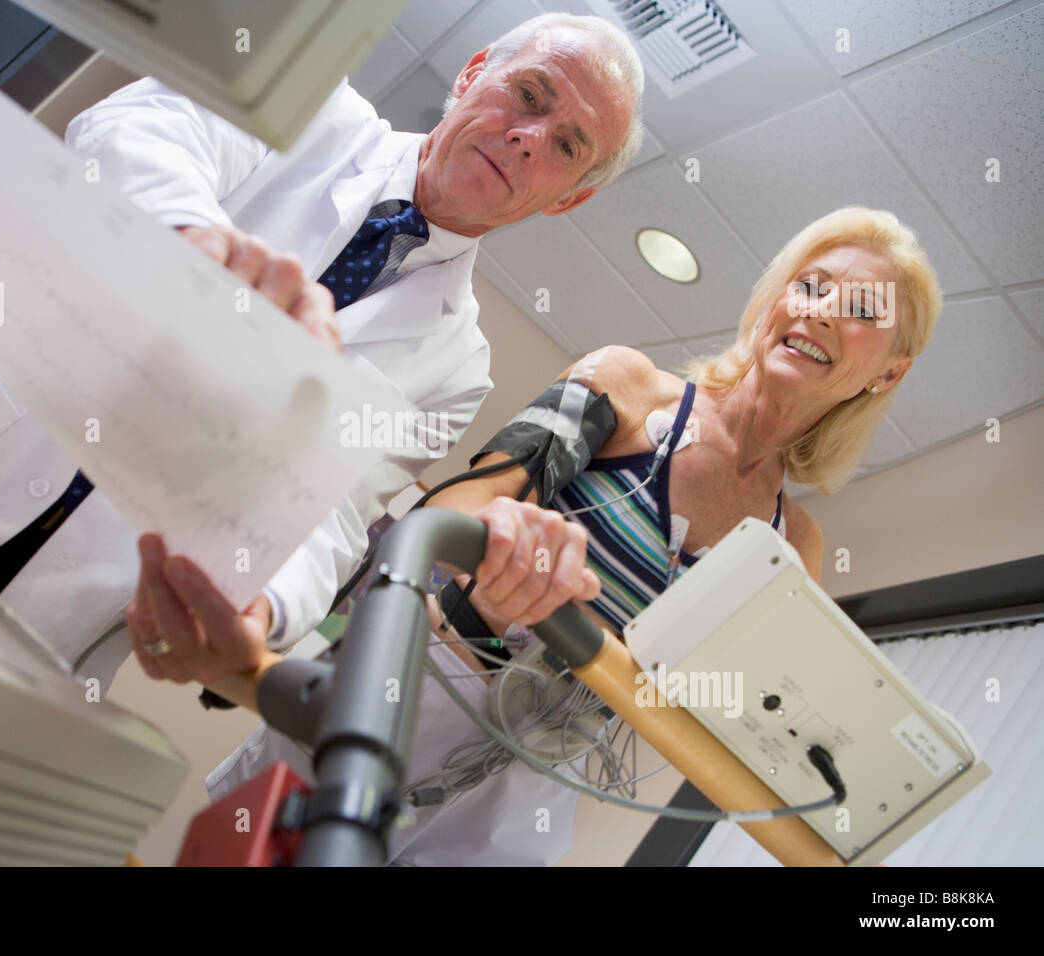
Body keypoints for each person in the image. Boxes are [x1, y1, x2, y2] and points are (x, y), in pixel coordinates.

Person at [0, 12, 645, 686]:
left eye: (568, 145)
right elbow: (127, 129)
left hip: (66, 601)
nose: (531, 135)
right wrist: (195, 244)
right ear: (472, 76)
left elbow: (331, 515)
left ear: (565, 200)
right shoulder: (310, 112)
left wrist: (261, 615)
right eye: (529, 94)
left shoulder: (458, 366)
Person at [201, 206, 944, 865]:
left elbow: (717, 715)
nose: (818, 312)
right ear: (777, 299)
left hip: (537, 772)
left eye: (859, 310)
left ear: (888, 374)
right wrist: (502, 534)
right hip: (431, 677)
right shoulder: (628, 388)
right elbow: (464, 500)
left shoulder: (794, 544)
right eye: (810, 285)